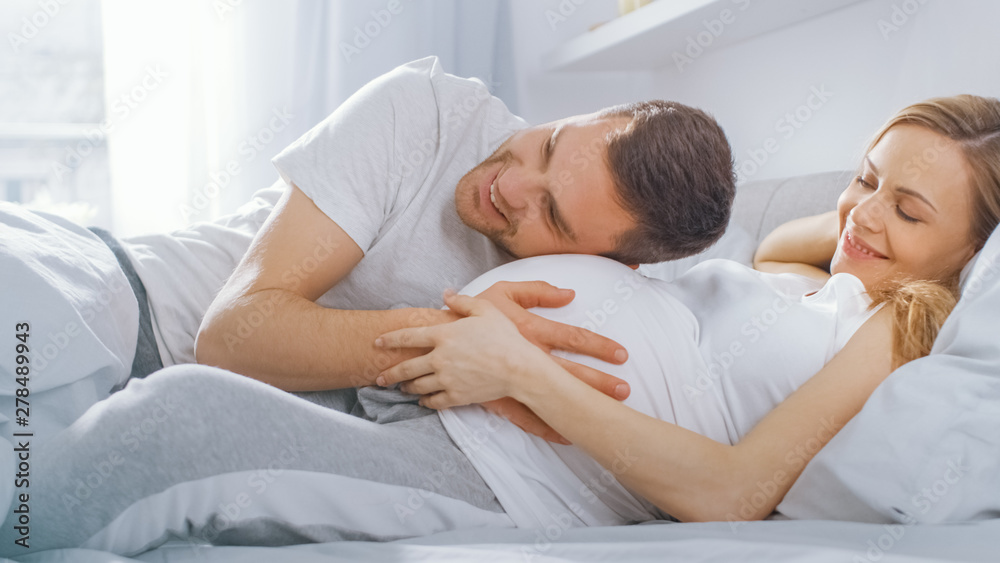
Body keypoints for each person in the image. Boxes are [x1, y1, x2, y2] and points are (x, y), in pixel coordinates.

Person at [11, 95, 995, 556]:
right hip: (449, 394)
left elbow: (731, 490)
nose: (864, 215)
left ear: (971, 252)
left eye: (908, 211)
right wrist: (884, 210)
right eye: (865, 178)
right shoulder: (817, 271)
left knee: (177, 423)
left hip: (519, 467)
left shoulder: (897, 332)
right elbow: (795, 233)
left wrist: (522, 372)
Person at [0, 56, 736, 446]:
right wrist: (461, 340)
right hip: (113, 299)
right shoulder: (424, 111)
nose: (510, 184)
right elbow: (231, 336)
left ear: (609, 264)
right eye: (548, 145)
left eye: (550, 212)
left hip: (165, 419)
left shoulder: (591, 310)